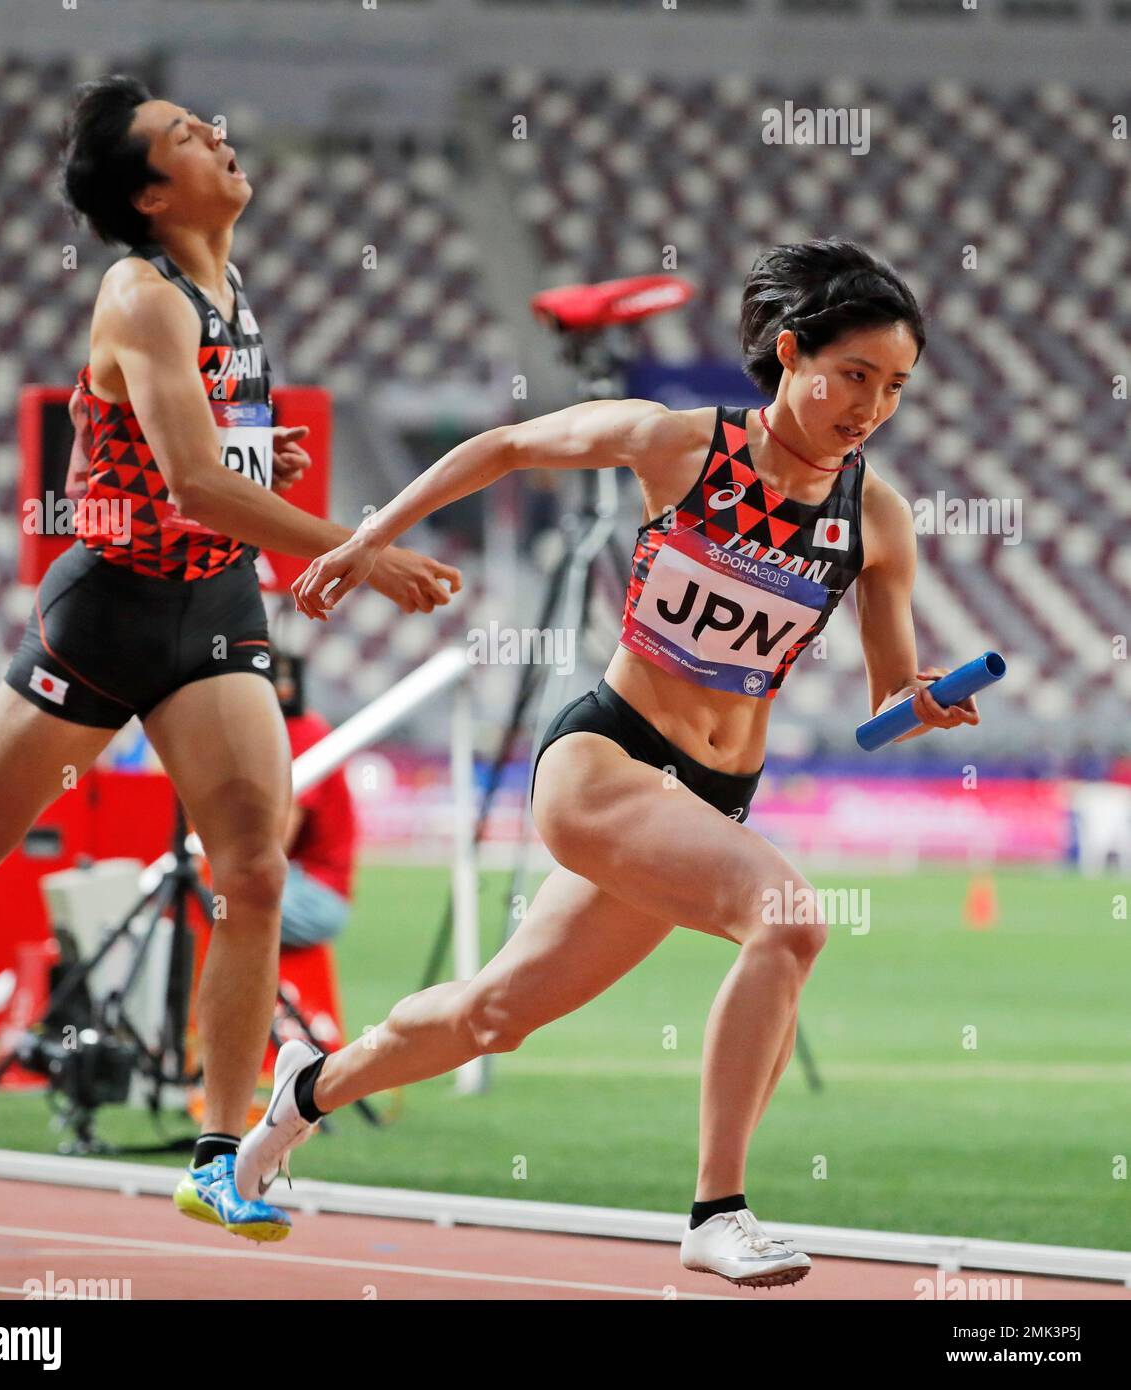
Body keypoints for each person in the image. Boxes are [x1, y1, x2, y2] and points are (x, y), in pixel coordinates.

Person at [236, 238, 981, 1288]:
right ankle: (717, 1210)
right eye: (854, 375)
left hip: (712, 796)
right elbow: (502, 447)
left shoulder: (877, 516)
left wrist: (925, 704)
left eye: (895, 388)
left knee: (496, 1013)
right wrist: (369, 540)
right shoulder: (676, 445)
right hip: (604, 760)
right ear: (791, 351)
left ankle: (305, 1094)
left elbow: (885, 699)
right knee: (791, 916)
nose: (872, 407)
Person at [0, 74, 460, 1246]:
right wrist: (366, 549)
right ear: (152, 193)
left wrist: (270, 458)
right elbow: (194, 481)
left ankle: (219, 1153)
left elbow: (227, 462)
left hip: (212, 605)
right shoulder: (139, 293)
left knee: (254, 869)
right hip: (106, 608)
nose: (216, 131)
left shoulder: (228, 285)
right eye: (183, 135)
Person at [274, 652, 357, 951]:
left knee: (204, 902)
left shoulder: (299, 728)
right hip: (298, 882)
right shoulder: (284, 723)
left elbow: (276, 841)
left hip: (314, 890)